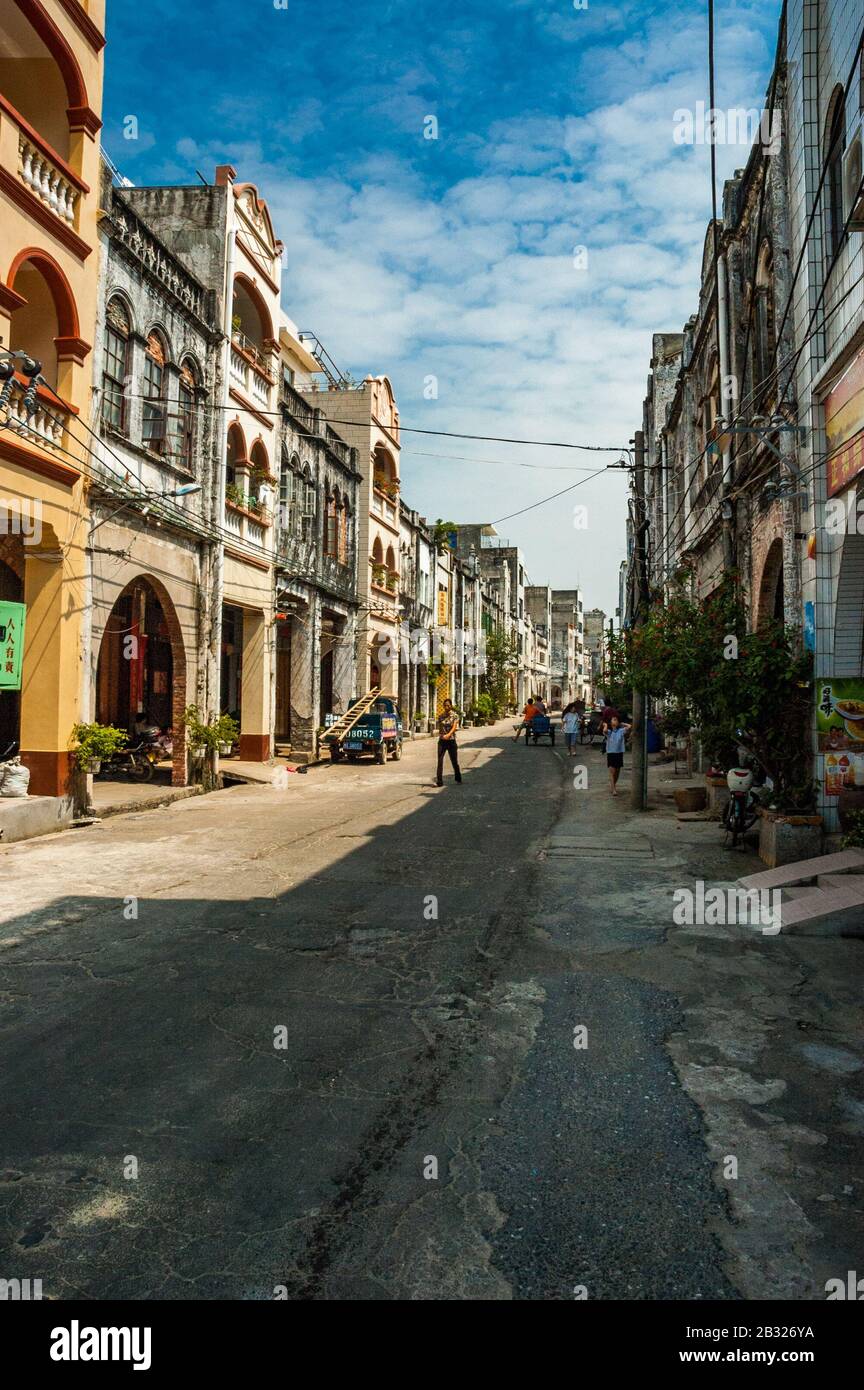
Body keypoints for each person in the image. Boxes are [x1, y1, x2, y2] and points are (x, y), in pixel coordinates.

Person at [603, 713, 632, 797]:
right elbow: (604, 731)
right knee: (612, 771)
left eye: (616, 719)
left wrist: (622, 724)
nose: (615, 721)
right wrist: (605, 725)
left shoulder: (621, 731)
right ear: (610, 722)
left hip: (619, 752)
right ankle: (613, 789)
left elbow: (629, 727)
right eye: (613, 719)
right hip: (611, 753)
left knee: (617, 771)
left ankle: (613, 785)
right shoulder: (609, 731)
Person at [435, 699, 462, 786]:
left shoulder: (455, 716)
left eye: (448, 705)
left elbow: (454, 727)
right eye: (445, 705)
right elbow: (440, 728)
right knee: (440, 760)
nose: (446, 707)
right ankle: (439, 781)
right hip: (442, 741)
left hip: (451, 741)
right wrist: (441, 735)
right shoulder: (441, 716)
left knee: (454, 761)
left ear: (451, 706)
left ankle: (458, 778)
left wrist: (448, 735)